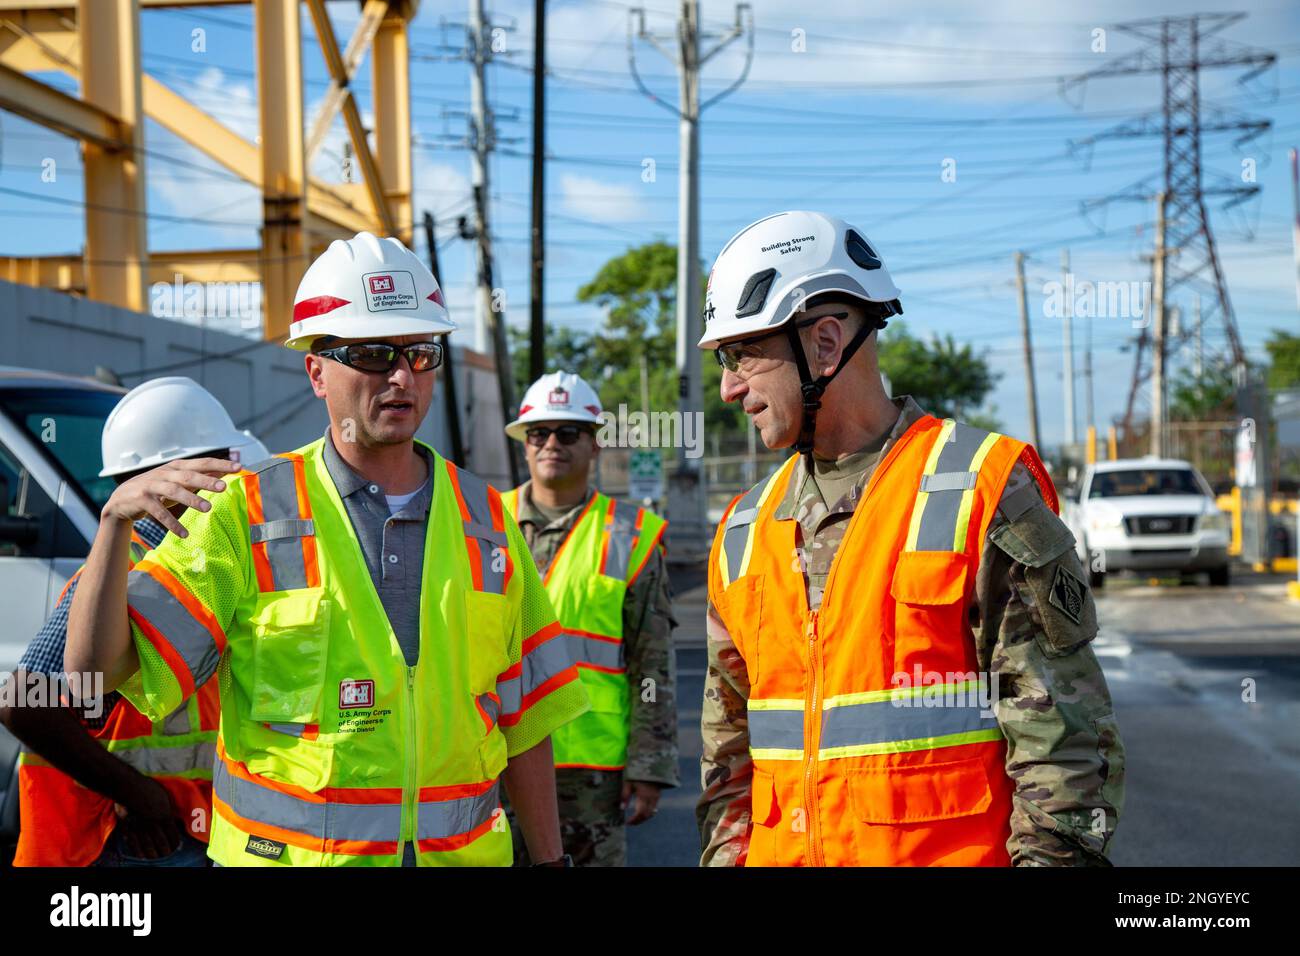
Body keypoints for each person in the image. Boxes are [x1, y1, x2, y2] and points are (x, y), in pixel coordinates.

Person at [65, 231, 588, 867]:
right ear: (316, 371)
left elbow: (526, 718)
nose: (401, 376)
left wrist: (552, 859)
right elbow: (95, 673)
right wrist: (112, 528)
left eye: (421, 353)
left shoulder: (488, 520)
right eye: (372, 354)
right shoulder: (242, 512)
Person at [695, 210, 1125, 867]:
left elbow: (1062, 739)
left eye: (741, 353)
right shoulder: (743, 528)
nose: (728, 387)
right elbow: (727, 753)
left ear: (826, 342)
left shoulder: (983, 487)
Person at [1, 377, 256, 866]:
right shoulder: (134, 565)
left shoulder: (205, 559)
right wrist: (141, 797)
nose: (232, 480)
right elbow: (21, 701)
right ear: (166, 479)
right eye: (219, 464)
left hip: (186, 825)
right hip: (119, 839)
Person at [500, 372, 678, 866]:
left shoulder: (632, 535)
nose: (552, 444)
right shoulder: (484, 522)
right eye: (540, 433)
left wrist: (649, 764)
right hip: (494, 761)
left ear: (595, 445)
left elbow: (652, 667)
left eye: (569, 433)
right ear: (525, 443)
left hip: (591, 772)